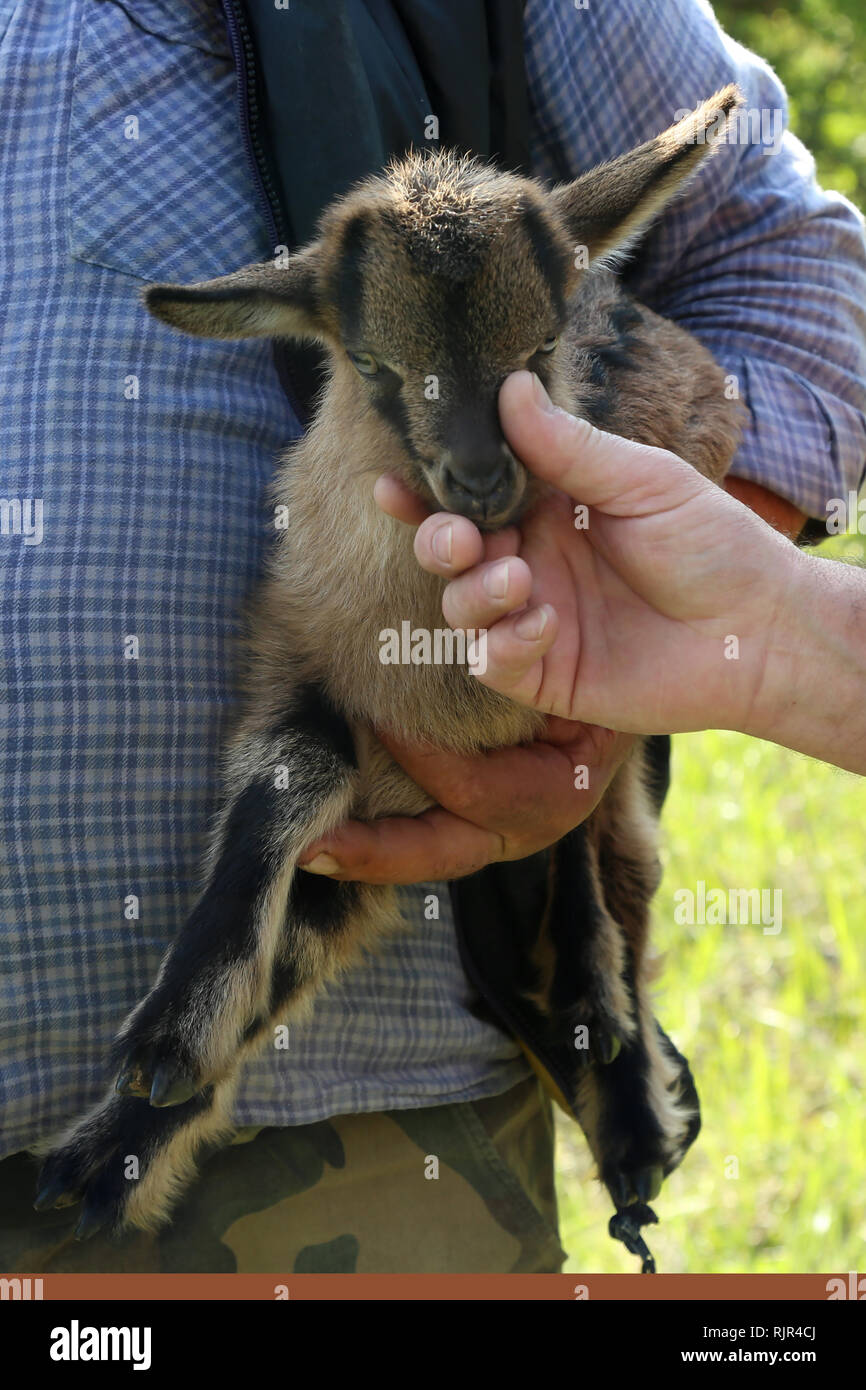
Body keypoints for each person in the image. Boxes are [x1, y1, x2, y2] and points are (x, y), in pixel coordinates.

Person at [1, 0, 864, 1276]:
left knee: (347, 815)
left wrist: (605, 650)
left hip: (349, 1163)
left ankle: (599, 1032)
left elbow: (779, 260)